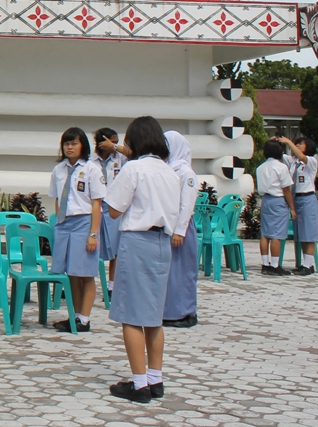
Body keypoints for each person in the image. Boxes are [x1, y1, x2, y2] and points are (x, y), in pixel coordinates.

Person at [104, 116, 180, 403]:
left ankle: (139, 385)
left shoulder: (134, 168)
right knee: (153, 316)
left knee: (132, 315)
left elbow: (113, 209)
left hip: (138, 240)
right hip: (163, 242)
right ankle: (155, 378)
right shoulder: (170, 171)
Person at [49, 127, 106, 333]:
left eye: (74, 143)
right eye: (66, 143)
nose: (69, 147)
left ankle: (85, 318)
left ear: (83, 146)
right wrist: (58, 224)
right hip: (64, 223)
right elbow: (57, 199)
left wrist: (93, 234)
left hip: (84, 223)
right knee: (71, 273)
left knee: (85, 273)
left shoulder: (92, 169)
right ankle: (74, 316)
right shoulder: (59, 170)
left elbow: (96, 204)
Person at [161, 131, 200, 328]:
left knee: (183, 271)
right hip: (168, 226)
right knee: (170, 272)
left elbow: (187, 204)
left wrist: (179, 230)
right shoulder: (167, 169)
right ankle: (170, 311)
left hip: (181, 228)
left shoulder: (185, 173)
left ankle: (187, 312)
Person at [91, 127, 125, 297]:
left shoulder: (121, 158)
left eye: (116, 142)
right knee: (92, 246)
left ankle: (112, 286)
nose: (114, 144)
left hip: (114, 206)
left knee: (116, 248)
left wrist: (116, 148)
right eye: (112, 141)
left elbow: (136, 154)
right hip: (95, 206)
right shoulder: (90, 161)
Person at [279, 136, 318, 276]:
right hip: (296, 199)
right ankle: (304, 264)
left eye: (300, 143)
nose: (297, 145)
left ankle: (308, 265)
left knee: (309, 233)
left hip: (307, 198)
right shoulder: (294, 162)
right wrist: (276, 142)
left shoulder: (312, 161)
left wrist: (289, 142)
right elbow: (280, 156)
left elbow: (302, 156)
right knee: (301, 233)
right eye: (296, 143)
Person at [257, 140, 296, 276]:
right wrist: (292, 208)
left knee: (265, 234)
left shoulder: (260, 167)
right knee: (276, 234)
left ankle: (265, 263)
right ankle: (275, 265)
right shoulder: (281, 167)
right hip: (278, 200)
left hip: (265, 199)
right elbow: (286, 189)